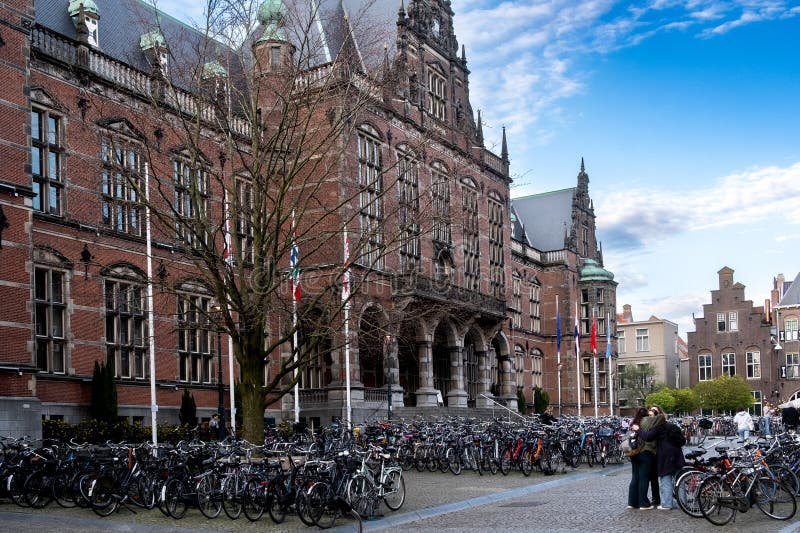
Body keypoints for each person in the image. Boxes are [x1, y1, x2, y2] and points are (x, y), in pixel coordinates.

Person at [636, 410, 685, 510]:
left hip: (665, 456)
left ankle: (667, 504)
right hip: (678, 454)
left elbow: (647, 437)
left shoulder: (659, 428)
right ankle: (683, 503)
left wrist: (638, 429)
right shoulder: (674, 426)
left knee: (665, 479)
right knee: (680, 479)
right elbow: (682, 440)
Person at [627, 407, 658, 510]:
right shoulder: (649, 423)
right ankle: (643, 503)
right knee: (644, 478)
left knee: (635, 477)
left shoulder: (634, 423)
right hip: (645, 452)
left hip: (634, 452)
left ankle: (632, 502)